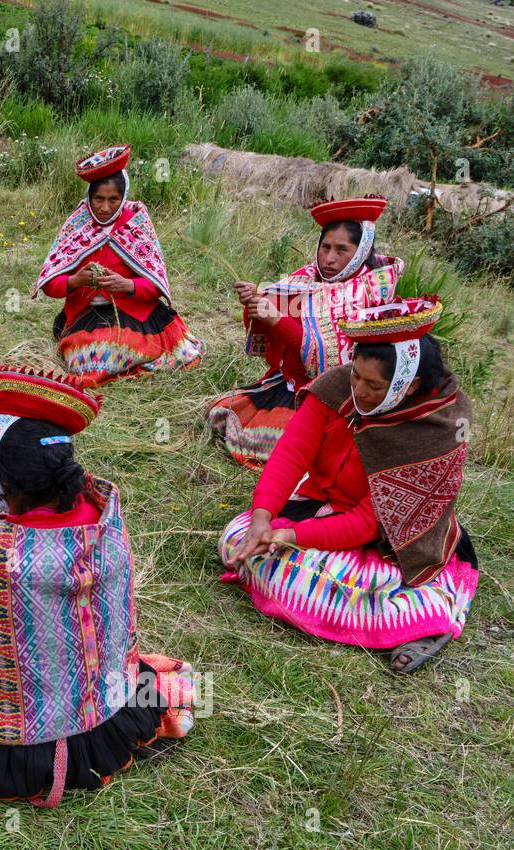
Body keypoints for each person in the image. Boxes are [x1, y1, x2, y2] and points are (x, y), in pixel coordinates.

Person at [0, 366, 195, 805]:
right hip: (99, 709)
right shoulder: (103, 516)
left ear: (0, 484)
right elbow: (32, 574)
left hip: (16, 737)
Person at [220, 298, 479, 675]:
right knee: (237, 537)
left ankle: (423, 622)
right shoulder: (338, 387)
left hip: (390, 538)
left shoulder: (434, 428)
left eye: (373, 385)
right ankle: (367, 617)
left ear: (409, 386)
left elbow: (368, 522)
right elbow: (292, 454)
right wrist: (263, 517)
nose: (357, 389)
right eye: (356, 375)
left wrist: (291, 537)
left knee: (343, 585)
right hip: (322, 505)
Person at [208, 195, 403, 468]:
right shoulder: (307, 278)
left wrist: (275, 318)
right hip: (292, 383)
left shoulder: (368, 292)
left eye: (342, 250)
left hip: (333, 398)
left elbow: (333, 366)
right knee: (221, 413)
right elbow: (273, 328)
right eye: (325, 247)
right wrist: (255, 299)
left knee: (281, 445)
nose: (329, 259)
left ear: (361, 252)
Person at [34, 145, 202, 389]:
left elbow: (156, 286)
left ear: (123, 198)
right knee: (92, 356)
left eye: (113, 200)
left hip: (133, 312)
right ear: (89, 197)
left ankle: (125, 363)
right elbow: (50, 285)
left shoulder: (135, 223)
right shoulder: (77, 225)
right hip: (86, 315)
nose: (105, 207)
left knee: (169, 350)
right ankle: (120, 364)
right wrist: (75, 281)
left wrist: (127, 285)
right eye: (98, 199)